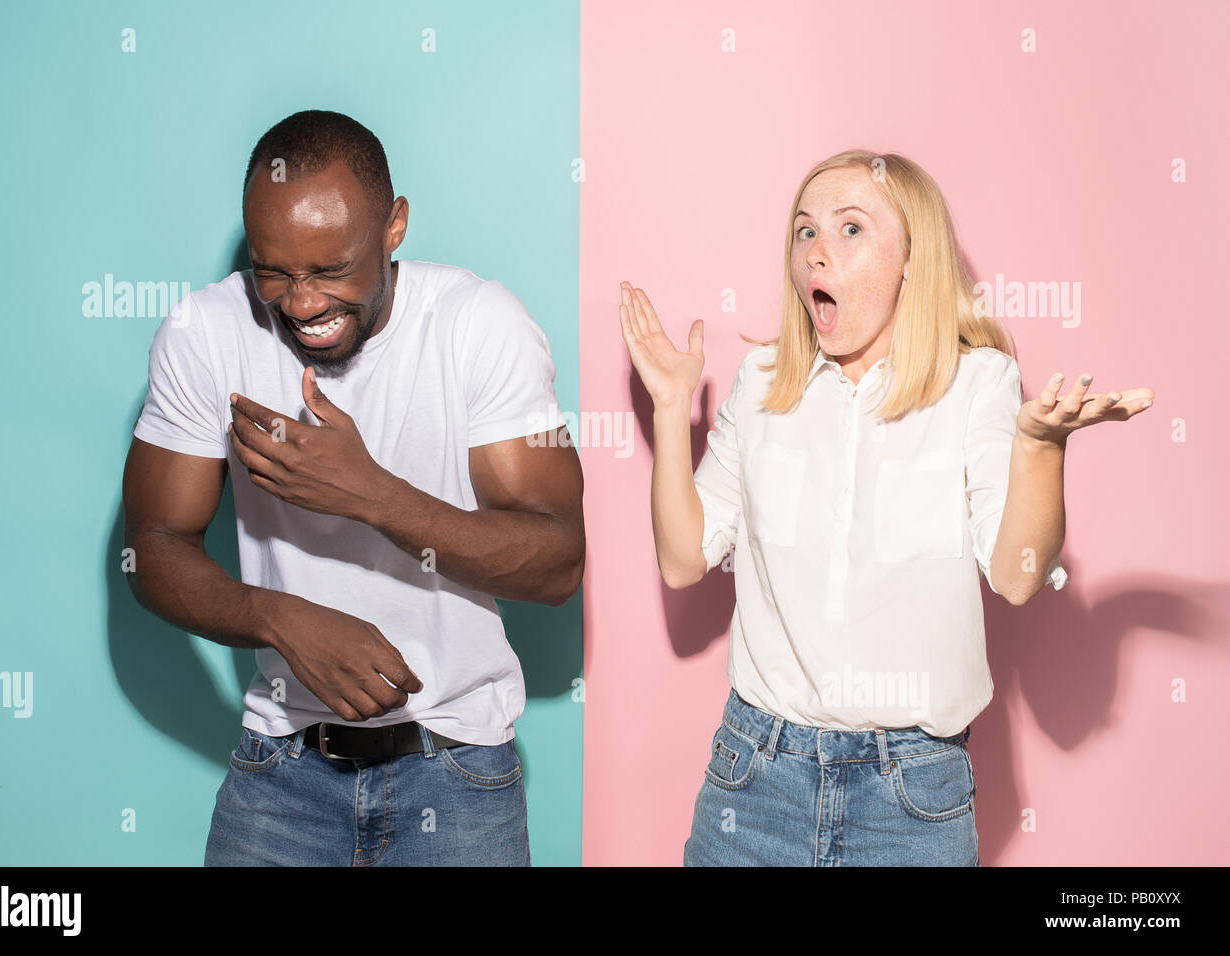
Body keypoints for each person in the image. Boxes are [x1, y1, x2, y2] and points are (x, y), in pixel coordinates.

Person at [618, 149, 1154, 866]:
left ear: (912, 258)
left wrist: (1040, 448)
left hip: (909, 796)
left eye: (849, 230)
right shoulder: (764, 381)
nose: (817, 253)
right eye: (805, 232)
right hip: (754, 774)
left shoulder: (978, 383)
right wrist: (668, 407)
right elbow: (685, 561)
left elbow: (1019, 576)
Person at [122, 109, 584, 866]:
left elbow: (558, 561)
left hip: (458, 769)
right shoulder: (204, 333)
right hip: (282, 771)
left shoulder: (477, 327)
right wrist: (276, 617)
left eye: (331, 270)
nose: (301, 304)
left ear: (394, 227)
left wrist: (369, 492)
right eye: (275, 270)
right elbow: (152, 547)